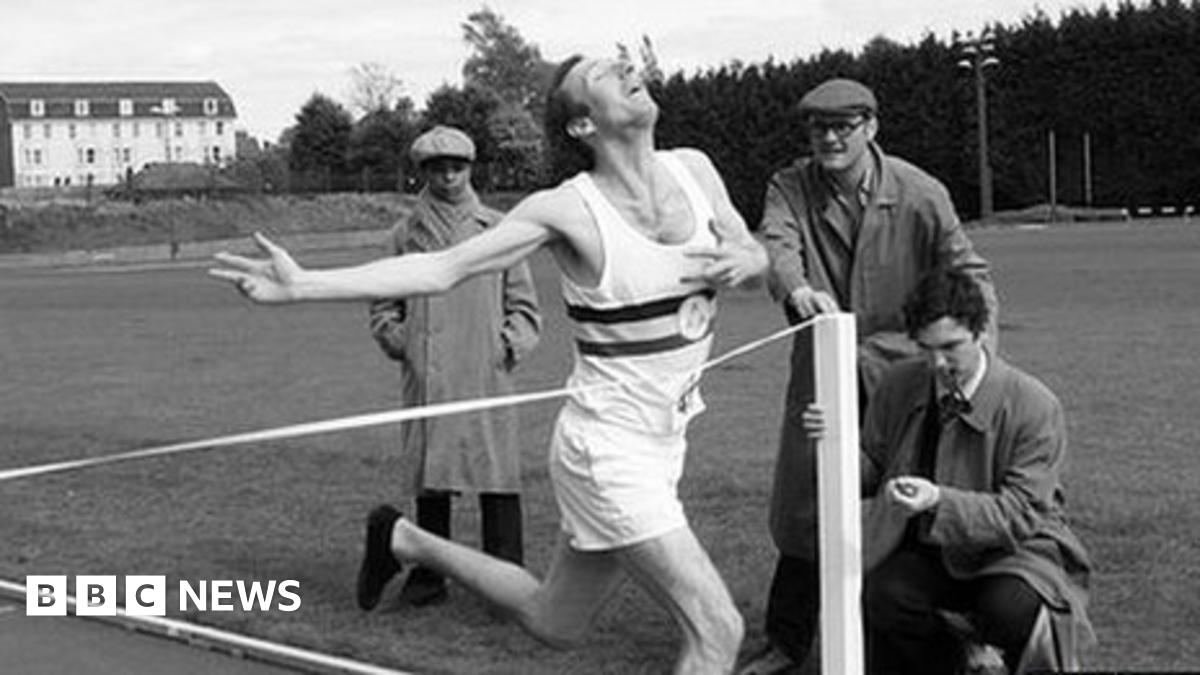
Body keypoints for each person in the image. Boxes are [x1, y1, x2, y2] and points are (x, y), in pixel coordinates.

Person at [211, 54, 767, 673]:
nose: (629, 70)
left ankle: (408, 539)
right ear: (583, 125)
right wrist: (304, 284)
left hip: (666, 444)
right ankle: (412, 539)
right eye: (607, 75)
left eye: (625, 64)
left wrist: (752, 262)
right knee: (718, 629)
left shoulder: (695, 170)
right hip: (609, 452)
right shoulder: (566, 210)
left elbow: (746, 244)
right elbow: (442, 268)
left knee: (556, 620)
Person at [739, 78, 998, 675]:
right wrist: (798, 287)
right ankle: (785, 640)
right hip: (823, 374)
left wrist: (974, 364)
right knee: (810, 506)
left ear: (870, 128)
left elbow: (969, 272)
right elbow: (777, 243)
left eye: (843, 127)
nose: (829, 138)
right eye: (818, 128)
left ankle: (963, 633)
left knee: (918, 502)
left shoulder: (919, 191)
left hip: (910, 377)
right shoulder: (789, 184)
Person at [800, 267, 1093, 675]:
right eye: (925, 348)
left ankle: (1004, 653)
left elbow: (1022, 514)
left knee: (1007, 610)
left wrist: (938, 500)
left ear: (981, 332)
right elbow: (870, 467)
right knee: (884, 596)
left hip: (1017, 552)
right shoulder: (899, 383)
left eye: (951, 346)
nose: (938, 363)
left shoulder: (1034, 404)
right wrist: (833, 442)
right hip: (928, 550)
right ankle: (954, 659)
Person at [366, 125, 542, 606]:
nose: (448, 176)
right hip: (432, 372)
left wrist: (507, 346)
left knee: (497, 475)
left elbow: (525, 306)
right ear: (423, 171)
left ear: (470, 167)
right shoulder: (405, 234)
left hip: (486, 370)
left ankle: (507, 579)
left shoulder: (502, 230)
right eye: (437, 168)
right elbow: (383, 303)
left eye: (457, 167)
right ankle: (428, 575)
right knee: (432, 477)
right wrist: (403, 343)